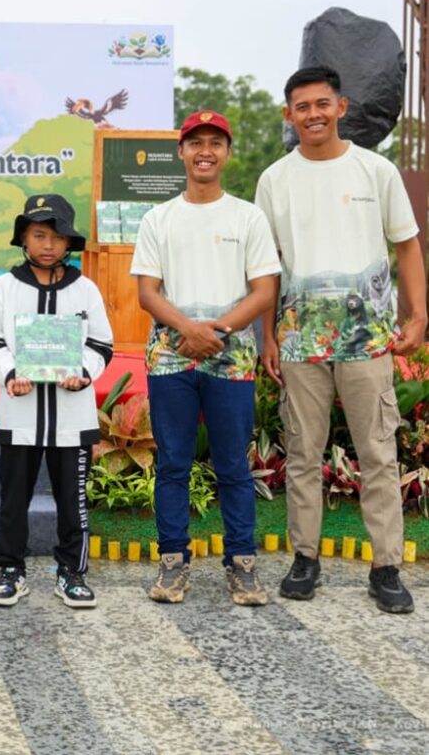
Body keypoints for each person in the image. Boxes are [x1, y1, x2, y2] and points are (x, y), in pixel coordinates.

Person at [257, 66, 427, 614]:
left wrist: (418, 316)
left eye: (322, 103)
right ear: (290, 115)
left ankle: (386, 566)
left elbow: (406, 246)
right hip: (299, 341)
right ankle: (305, 558)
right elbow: (266, 270)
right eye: (302, 106)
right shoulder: (274, 180)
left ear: (342, 106)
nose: (313, 114)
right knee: (302, 452)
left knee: (377, 451)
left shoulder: (375, 171)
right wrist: (268, 337)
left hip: (368, 340)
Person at [131, 110, 281, 606]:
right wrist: (189, 329)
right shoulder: (159, 218)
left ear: (227, 153)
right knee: (173, 463)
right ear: (181, 152)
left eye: (215, 142)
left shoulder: (247, 216)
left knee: (233, 464)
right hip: (171, 358)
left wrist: (218, 329)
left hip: (231, 354)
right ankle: (172, 562)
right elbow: (148, 294)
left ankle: (242, 565)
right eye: (196, 142)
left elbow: (264, 290)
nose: (205, 151)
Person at [0, 194, 113, 608]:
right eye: (39, 235)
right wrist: (10, 374)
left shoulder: (85, 290)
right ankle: (10, 570)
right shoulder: (4, 287)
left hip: (72, 417)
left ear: (70, 243)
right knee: (13, 498)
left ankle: (72, 572)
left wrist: (84, 373)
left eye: (57, 237)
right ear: (24, 239)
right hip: (19, 414)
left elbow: (101, 343)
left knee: (74, 501)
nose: (48, 245)